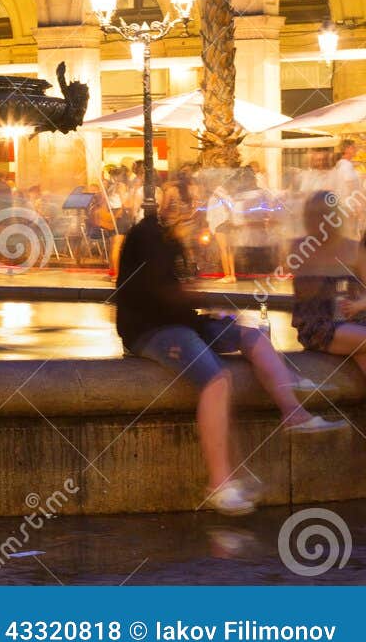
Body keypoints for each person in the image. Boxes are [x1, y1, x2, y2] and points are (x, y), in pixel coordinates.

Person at [113, 216, 342, 517]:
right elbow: (158, 292)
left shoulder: (166, 239)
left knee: (254, 337)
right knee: (217, 380)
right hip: (154, 330)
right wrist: (195, 298)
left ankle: (294, 413)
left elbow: (174, 291)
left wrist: (203, 307)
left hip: (185, 320)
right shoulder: (148, 238)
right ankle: (219, 484)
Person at [291, 190, 366, 377]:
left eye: (323, 214)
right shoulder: (300, 247)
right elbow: (305, 296)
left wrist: (359, 304)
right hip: (317, 326)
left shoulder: (354, 248)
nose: (318, 220)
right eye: (313, 215)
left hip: (356, 320)